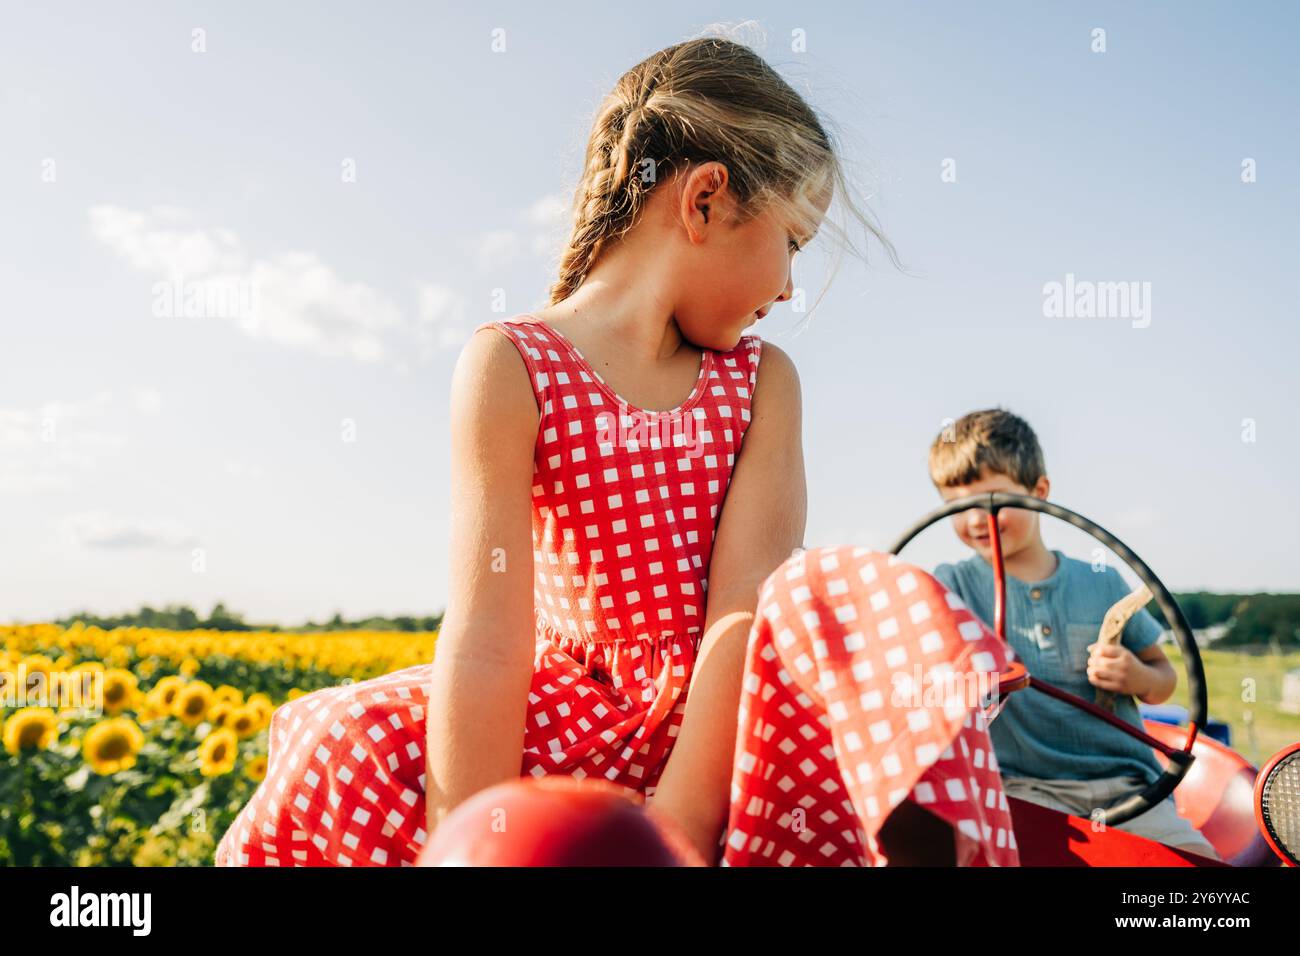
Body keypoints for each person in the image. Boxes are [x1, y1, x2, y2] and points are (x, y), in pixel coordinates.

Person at [215, 36, 1019, 868]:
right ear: (706, 199)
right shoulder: (511, 361)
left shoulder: (762, 381)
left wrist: (670, 834)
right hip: (564, 717)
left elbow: (742, 609)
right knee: (344, 742)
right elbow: (489, 636)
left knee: (844, 597)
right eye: (795, 245)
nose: (787, 289)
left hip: (726, 726)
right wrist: (478, 838)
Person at [927, 408, 1220, 860]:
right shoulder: (951, 586)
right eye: (956, 507)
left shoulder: (1101, 582)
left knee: (1198, 863)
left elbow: (1164, 683)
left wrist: (1137, 676)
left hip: (1128, 787)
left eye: (993, 500)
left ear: (1040, 492)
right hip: (1021, 788)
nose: (974, 520)